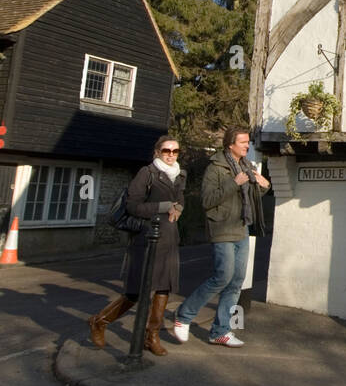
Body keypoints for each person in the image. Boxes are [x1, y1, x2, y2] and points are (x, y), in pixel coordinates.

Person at [87, 134, 186, 354]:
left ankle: (152, 336)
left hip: (169, 237)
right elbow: (133, 206)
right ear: (157, 152)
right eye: (166, 151)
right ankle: (100, 321)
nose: (171, 155)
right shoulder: (147, 173)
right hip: (146, 237)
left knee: (163, 288)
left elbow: (181, 200)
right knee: (136, 291)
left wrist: (178, 208)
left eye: (175, 151)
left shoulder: (179, 174)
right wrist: (164, 206)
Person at [173, 127, 269, 347]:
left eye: (248, 142)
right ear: (230, 145)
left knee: (236, 282)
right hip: (222, 228)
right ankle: (184, 315)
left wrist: (264, 186)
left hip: (242, 228)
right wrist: (233, 182)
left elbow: (250, 196)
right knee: (222, 277)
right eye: (243, 142)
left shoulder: (247, 166)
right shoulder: (215, 169)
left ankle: (220, 332)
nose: (247, 145)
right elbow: (207, 200)